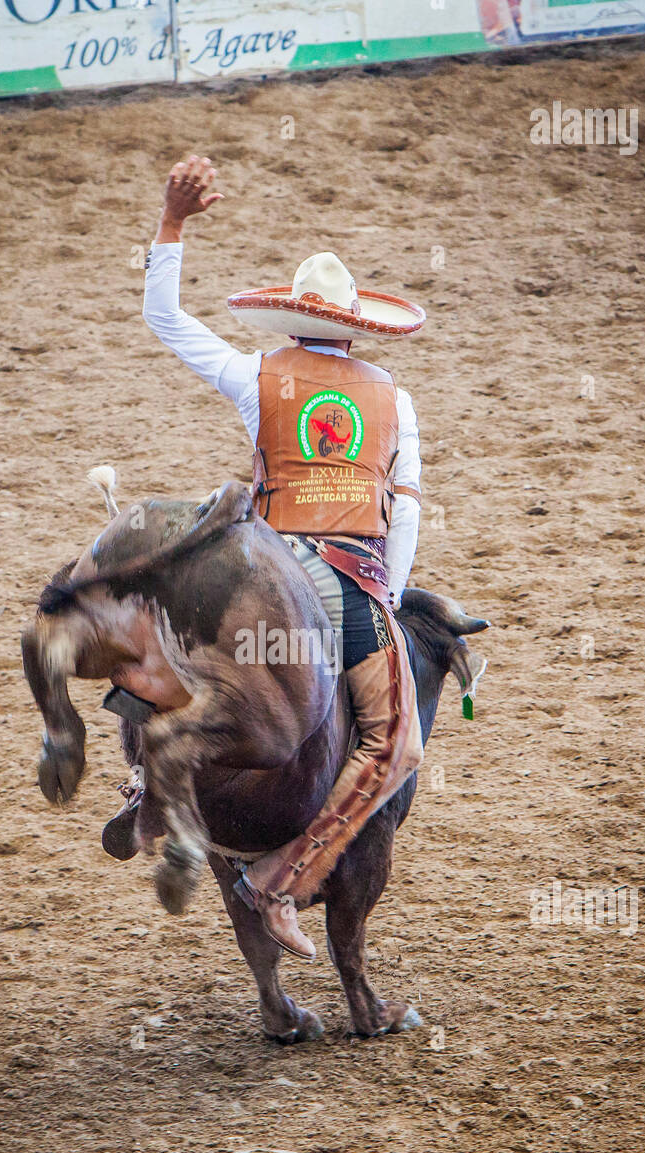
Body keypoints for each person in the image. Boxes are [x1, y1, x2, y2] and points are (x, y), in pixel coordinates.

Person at [111, 153, 426, 961]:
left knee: (174, 631)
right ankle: (285, 877)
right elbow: (408, 508)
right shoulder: (394, 398)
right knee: (394, 744)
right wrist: (388, 596)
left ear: (291, 324)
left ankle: (146, 776)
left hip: (266, 568)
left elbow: (166, 320)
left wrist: (172, 224)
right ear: (357, 328)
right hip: (349, 580)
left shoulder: (258, 376)